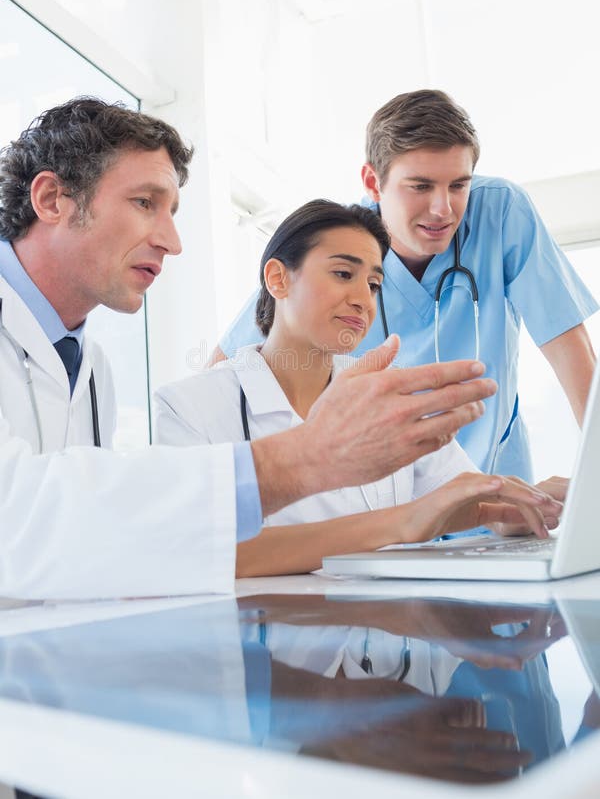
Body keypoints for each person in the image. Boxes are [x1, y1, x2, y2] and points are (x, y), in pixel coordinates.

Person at [0, 98, 499, 600]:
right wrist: (310, 459)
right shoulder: (193, 402)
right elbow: (23, 518)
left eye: (372, 283)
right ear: (52, 199)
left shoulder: (92, 370)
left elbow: (96, 545)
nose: (173, 242)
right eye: (145, 203)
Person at [155, 200, 565, 576]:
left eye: (373, 284)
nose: (363, 301)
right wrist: (400, 523)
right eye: (343, 274)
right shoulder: (189, 407)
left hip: (392, 624)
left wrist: (515, 507)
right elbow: (199, 553)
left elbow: (462, 499)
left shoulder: (386, 392)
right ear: (278, 279)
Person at [212, 90, 598, 481]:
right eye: (420, 186)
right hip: (384, 497)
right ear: (373, 182)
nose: (443, 210)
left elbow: (572, 352)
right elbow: (224, 370)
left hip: (496, 484)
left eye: (458, 185)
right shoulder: (337, 243)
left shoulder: (500, 212)